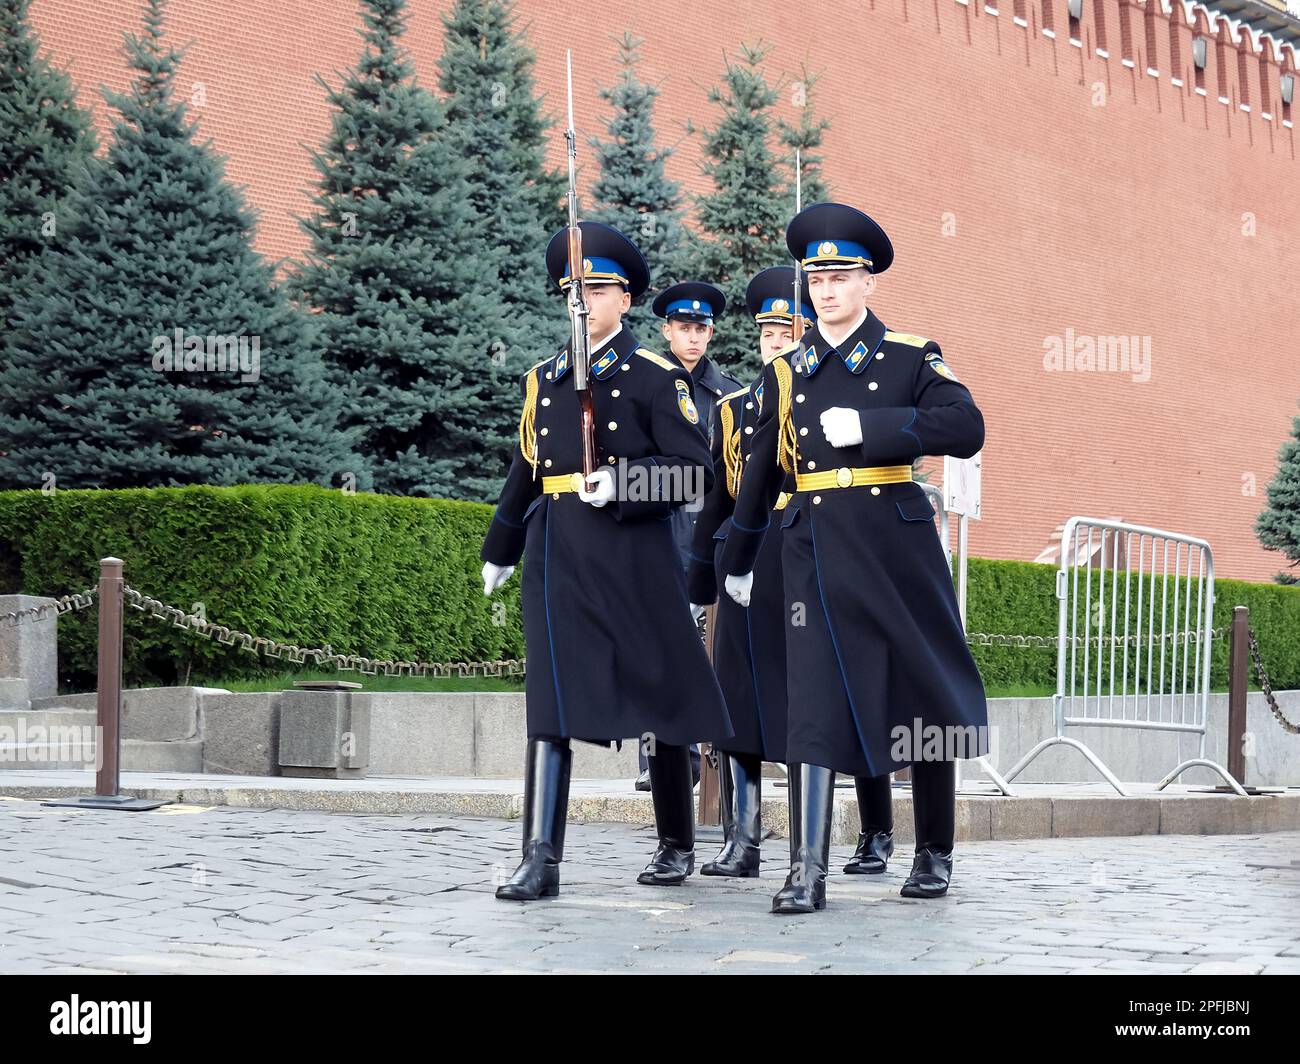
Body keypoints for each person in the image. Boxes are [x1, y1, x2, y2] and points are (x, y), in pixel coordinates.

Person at [721, 202, 988, 911]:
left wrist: (873, 427)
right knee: (811, 699)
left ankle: (932, 850)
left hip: (895, 545)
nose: (827, 290)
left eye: (841, 276)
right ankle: (805, 868)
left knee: (920, 688)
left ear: (868, 282)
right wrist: (738, 560)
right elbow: (759, 475)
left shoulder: (908, 354)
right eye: (816, 278)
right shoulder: (788, 374)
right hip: (811, 546)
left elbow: (965, 426)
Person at [482, 220, 732, 900]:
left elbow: (694, 475)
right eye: (572, 290)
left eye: (595, 289)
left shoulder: (652, 377)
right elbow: (526, 468)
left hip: (634, 553)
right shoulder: (546, 377)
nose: (581, 301)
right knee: (551, 698)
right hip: (557, 551)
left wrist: (623, 484)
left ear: (625, 298)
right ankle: (541, 857)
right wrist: (500, 548)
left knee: (664, 690)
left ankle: (677, 842)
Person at [684, 265, 808, 877]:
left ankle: (863, 833)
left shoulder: (818, 392)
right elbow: (717, 500)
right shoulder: (734, 407)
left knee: (808, 697)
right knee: (736, 695)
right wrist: (699, 580)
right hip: (742, 560)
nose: (776, 340)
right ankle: (744, 837)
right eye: (768, 331)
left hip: (801, 550)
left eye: (788, 329)